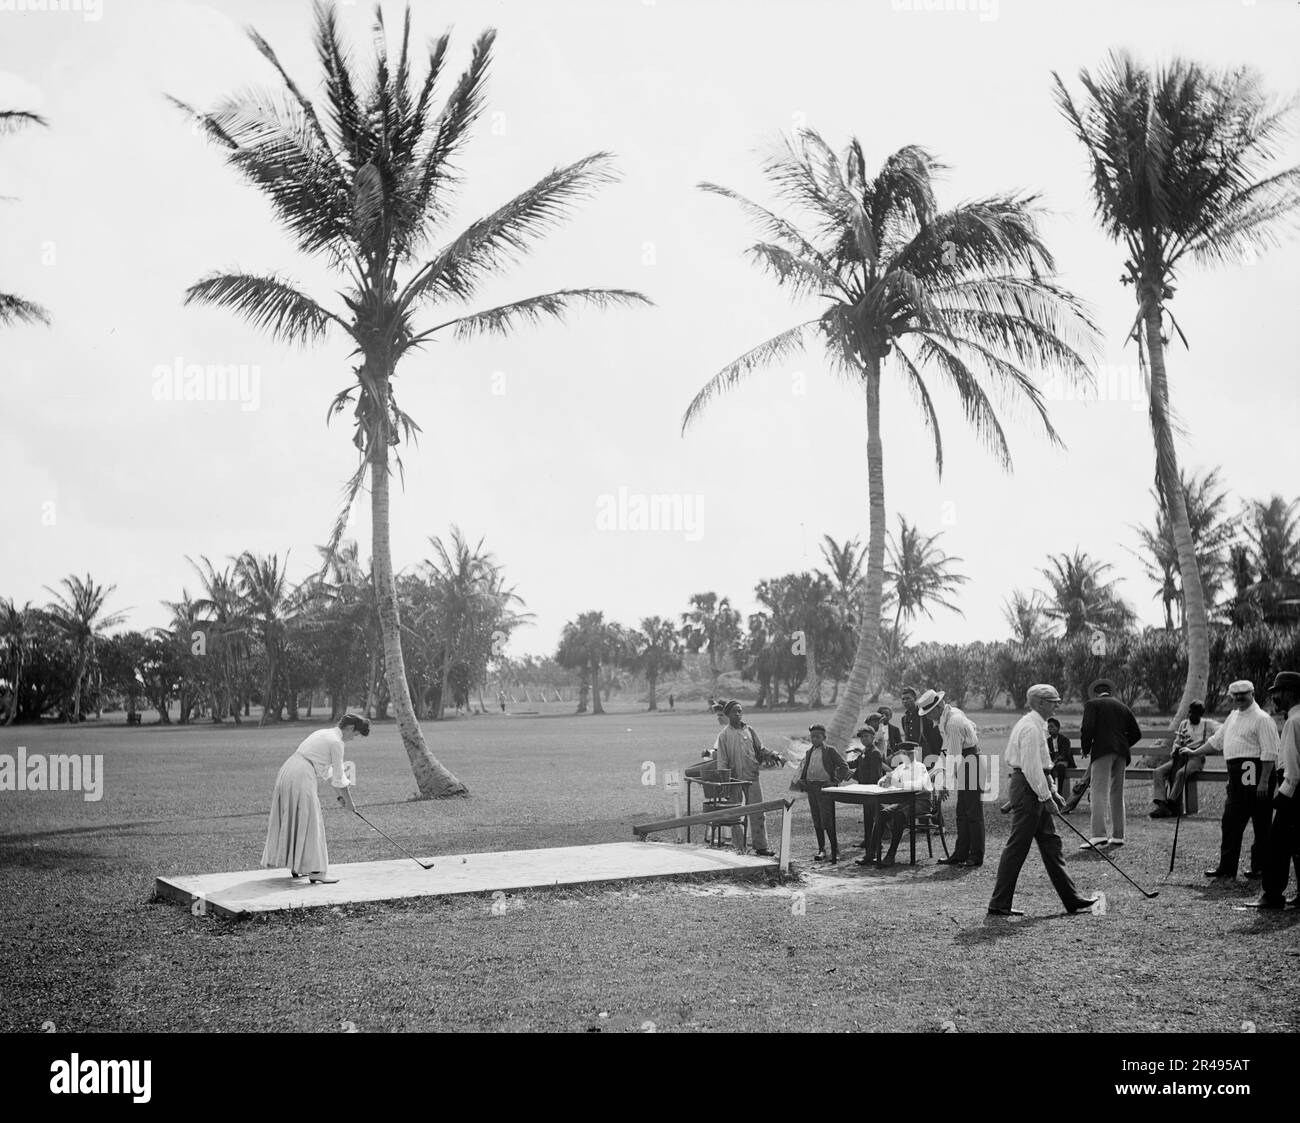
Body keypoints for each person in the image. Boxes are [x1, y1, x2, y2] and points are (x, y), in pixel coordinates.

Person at [988, 684, 1099, 917]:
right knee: (1018, 846)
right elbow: (1030, 767)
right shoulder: (1030, 727)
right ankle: (999, 903)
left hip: (1034, 786)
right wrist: (1046, 796)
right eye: (1053, 701)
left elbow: (1041, 764)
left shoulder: (1037, 725)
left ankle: (1072, 899)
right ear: (1039, 702)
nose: (1058, 704)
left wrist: (1051, 790)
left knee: (1051, 843)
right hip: (1028, 788)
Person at [261, 713, 369, 884]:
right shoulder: (336, 742)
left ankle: (297, 866)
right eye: (355, 734)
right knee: (312, 820)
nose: (353, 739)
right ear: (349, 728)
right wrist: (350, 803)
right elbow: (340, 778)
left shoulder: (323, 733)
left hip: (288, 771)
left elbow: (329, 774)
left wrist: (343, 798)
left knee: (299, 817)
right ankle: (317, 871)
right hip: (301, 775)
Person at [1197, 680, 1280, 880]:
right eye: (1236, 696)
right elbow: (1216, 741)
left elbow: (1270, 752)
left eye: (1244, 695)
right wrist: (1193, 752)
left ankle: (1260, 868)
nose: (1240, 699)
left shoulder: (1262, 719)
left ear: (1252, 694)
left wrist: (1263, 782)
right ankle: (1226, 868)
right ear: (1232, 697)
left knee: (1261, 827)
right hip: (1236, 781)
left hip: (1257, 780)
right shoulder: (1233, 716)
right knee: (1230, 824)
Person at [917, 689, 984, 867]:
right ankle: (961, 853)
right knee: (962, 812)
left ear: (939, 706)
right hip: (965, 759)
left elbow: (953, 757)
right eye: (926, 713)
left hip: (969, 762)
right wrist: (933, 773)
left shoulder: (953, 721)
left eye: (930, 712)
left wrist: (944, 784)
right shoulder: (946, 718)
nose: (928, 716)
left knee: (972, 812)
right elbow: (946, 751)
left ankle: (976, 855)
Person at [1079, 677, 1142, 849]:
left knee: (1099, 790)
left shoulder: (1092, 705)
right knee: (1117, 793)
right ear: (1110, 691)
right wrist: (1121, 745)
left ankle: (1098, 834)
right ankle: (1118, 836)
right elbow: (1137, 733)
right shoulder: (1123, 707)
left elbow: (1087, 728)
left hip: (1102, 751)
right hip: (1121, 753)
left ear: (1095, 693)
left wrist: (1085, 749)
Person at [1257, 672, 1300, 909]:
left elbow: (1292, 767)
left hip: (1292, 789)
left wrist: (1283, 794)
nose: (1275, 696)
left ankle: (1272, 895)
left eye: (1279, 692)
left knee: (1277, 844)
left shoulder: (1293, 722)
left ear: (1291, 693)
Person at [713, 701, 776, 856]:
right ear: (728, 715)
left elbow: (760, 749)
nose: (738, 714)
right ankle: (740, 847)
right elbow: (722, 760)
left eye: (740, 711)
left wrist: (771, 755)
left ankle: (761, 846)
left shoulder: (750, 730)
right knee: (734, 814)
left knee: (757, 811)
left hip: (752, 777)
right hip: (734, 780)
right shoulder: (724, 735)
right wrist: (724, 780)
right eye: (734, 712)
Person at [865, 745, 933, 868]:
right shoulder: (901, 768)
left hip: (921, 801)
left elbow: (919, 785)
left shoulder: (920, 767)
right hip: (905, 802)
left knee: (899, 816)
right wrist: (883, 781)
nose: (908, 756)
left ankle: (891, 854)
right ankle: (871, 853)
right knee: (882, 814)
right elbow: (887, 777)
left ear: (915, 754)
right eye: (905, 754)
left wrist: (898, 784)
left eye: (910, 754)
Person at [1150, 701, 1220, 818]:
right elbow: (1176, 742)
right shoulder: (1184, 724)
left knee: (1181, 773)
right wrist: (1176, 750)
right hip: (1181, 756)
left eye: (1195, 714)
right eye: (1191, 713)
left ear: (1200, 714)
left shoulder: (1207, 724)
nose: (1192, 716)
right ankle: (1161, 803)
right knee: (1158, 772)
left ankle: (1170, 802)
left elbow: (1222, 729)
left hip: (1196, 758)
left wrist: (1210, 741)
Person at [795, 723, 851, 863]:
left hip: (825, 789)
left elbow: (844, 767)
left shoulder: (830, 751)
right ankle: (821, 849)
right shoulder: (809, 752)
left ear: (824, 737)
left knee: (828, 820)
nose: (814, 739)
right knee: (817, 820)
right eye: (812, 737)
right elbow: (805, 768)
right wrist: (802, 781)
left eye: (818, 737)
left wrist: (835, 781)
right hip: (812, 788)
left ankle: (835, 849)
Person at [850, 725, 889, 861]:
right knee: (868, 820)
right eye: (862, 737)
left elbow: (876, 775)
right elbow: (855, 763)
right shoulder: (865, 751)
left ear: (873, 738)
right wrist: (840, 763)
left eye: (867, 736)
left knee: (873, 821)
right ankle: (871, 850)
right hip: (865, 791)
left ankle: (872, 852)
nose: (864, 739)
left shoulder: (875, 753)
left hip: (872, 792)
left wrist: (857, 777)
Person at [900, 686, 942, 761]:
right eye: (903, 699)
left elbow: (936, 738)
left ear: (915, 699)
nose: (905, 701)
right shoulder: (904, 719)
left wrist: (936, 756)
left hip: (928, 755)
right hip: (912, 756)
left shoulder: (925, 715)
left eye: (908, 698)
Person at [1046, 717, 1075, 795]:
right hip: (1053, 761)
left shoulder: (1065, 740)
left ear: (1058, 728)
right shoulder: (1047, 741)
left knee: (1060, 767)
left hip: (1064, 760)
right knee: (1049, 769)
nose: (1050, 729)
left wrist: (1056, 760)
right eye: (1048, 727)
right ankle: (1053, 790)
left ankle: (1060, 791)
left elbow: (1065, 753)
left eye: (1052, 727)